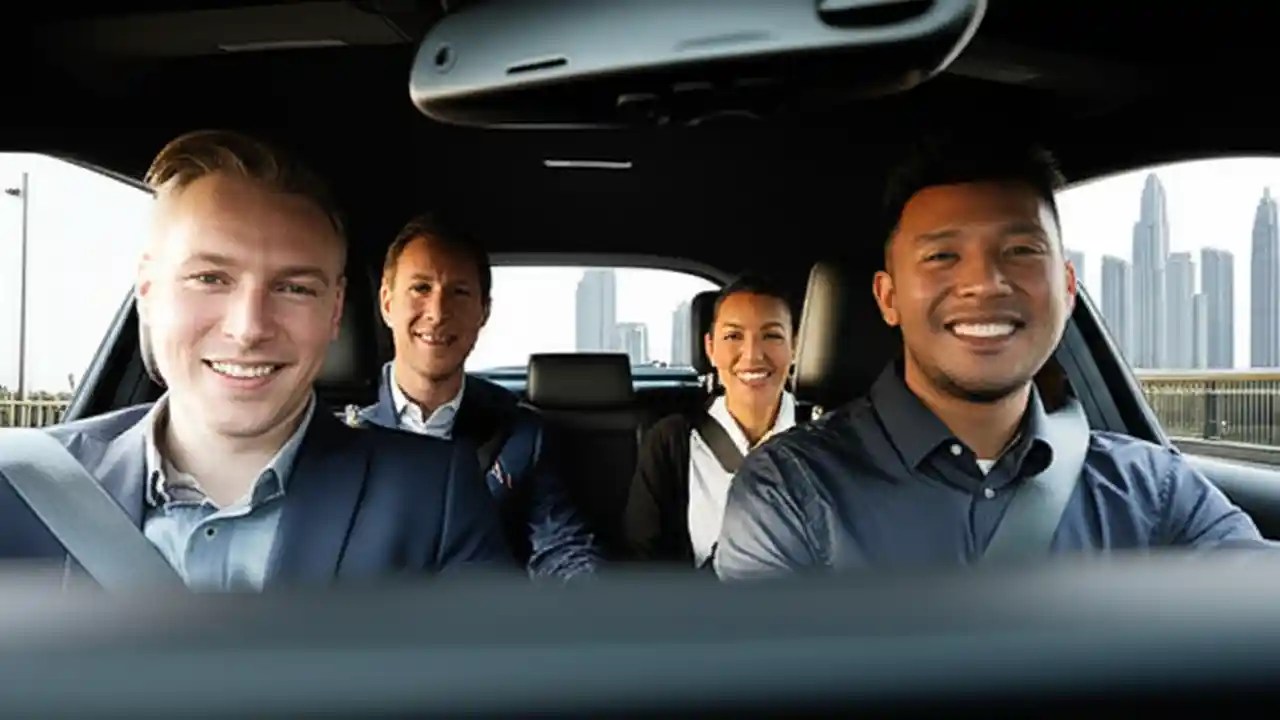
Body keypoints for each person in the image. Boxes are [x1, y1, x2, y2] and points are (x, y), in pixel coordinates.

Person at [714, 136, 1270, 580]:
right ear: (888, 299)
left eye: (1021, 251)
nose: (984, 281)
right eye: (942, 256)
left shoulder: (1154, 488)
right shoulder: (789, 491)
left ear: (1068, 289)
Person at [0, 130, 511, 591]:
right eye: (210, 278)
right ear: (149, 290)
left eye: (293, 288)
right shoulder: (24, 487)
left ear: (335, 311)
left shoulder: (433, 501)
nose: (248, 328)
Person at [356, 213, 601, 581]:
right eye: (421, 288)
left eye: (459, 292)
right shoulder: (336, 431)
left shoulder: (519, 435)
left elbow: (560, 548)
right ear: (387, 303)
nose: (437, 313)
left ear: (483, 312)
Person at [624, 274, 799, 568]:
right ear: (710, 348)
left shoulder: (831, 437)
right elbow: (645, 570)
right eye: (733, 336)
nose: (753, 355)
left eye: (772, 335)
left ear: (794, 346)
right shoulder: (672, 443)